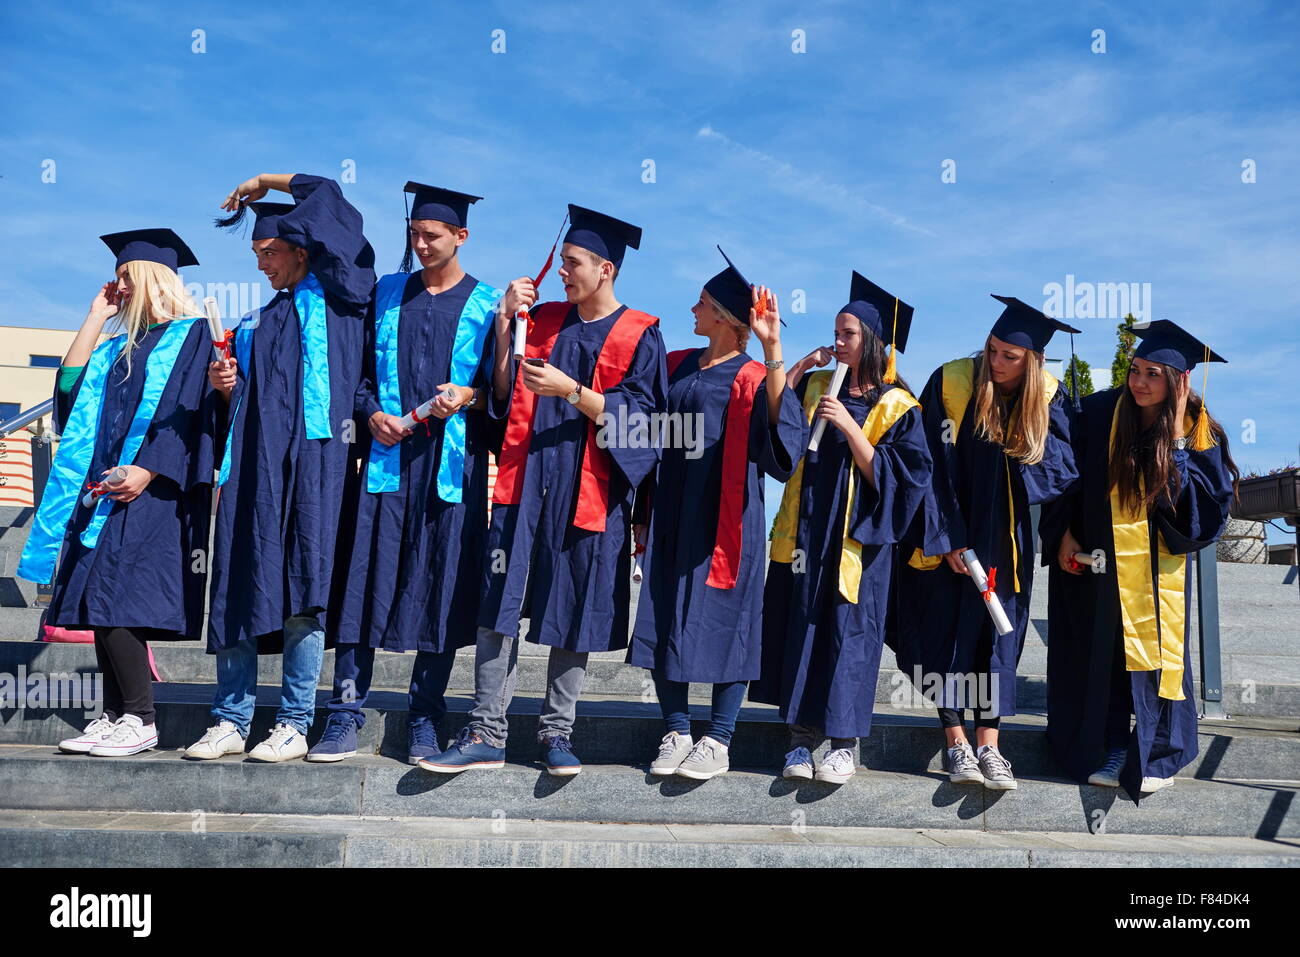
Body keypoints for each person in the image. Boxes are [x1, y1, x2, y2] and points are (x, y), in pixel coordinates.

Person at [420, 205, 666, 777]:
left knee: (574, 605)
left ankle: (557, 732)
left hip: (591, 491)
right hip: (524, 483)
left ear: (605, 269)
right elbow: (501, 394)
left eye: (574, 264)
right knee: (498, 600)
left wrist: (573, 389)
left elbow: (643, 425)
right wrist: (506, 326)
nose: (563, 272)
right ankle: (486, 729)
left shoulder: (640, 333)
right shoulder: (545, 319)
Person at [307, 183, 502, 763]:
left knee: (441, 590)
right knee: (361, 584)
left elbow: (504, 392)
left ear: (461, 236)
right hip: (387, 467)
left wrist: (468, 394)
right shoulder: (386, 294)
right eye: (413, 234)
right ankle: (344, 713)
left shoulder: (488, 305)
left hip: (451, 471)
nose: (418, 244)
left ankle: (424, 715)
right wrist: (370, 416)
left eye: (431, 235)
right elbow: (359, 378)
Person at [187, 173, 375, 763]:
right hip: (254, 476)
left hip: (317, 469)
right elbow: (240, 406)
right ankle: (230, 719)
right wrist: (225, 388)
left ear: (302, 250)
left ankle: (295, 721)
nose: (262, 264)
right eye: (256, 255)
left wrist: (263, 182)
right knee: (241, 584)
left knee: (305, 592)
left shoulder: (342, 300)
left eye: (270, 252)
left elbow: (331, 202)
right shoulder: (256, 324)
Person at [18, 229, 216, 757]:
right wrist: (94, 317)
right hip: (101, 493)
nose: (120, 288)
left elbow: (194, 416)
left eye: (126, 280)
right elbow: (68, 394)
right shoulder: (115, 348)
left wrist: (149, 471)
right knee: (98, 604)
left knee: (121, 602)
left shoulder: (193, 337)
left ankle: (141, 720)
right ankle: (114, 715)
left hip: (151, 493)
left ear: (153, 280)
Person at [628, 248, 805, 780]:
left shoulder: (753, 375)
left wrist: (774, 347)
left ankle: (719, 739)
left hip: (729, 519)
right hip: (674, 508)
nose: (693, 309)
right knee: (664, 612)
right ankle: (676, 729)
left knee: (730, 620)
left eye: (702, 303)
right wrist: (642, 507)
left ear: (727, 320)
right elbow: (644, 434)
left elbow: (783, 437)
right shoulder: (678, 362)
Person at [1042, 320, 1236, 800]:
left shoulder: (1198, 429)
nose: (1140, 382)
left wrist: (1174, 443)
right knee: (1099, 655)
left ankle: (1157, 752)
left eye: (1154, 374)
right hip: (1097, 563)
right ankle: (1103, 749)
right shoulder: (1102, 410)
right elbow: (1064, 471)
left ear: (1179, 381)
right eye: (1136, 369)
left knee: (1155, 661)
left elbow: (1209, 508)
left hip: (1156, 570)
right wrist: (1062, 531)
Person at [891, 295, 1078, 790]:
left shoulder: (1050, 396)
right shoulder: (953, 381)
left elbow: (1061, 469)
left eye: (1008, 356)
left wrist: (1026, 435)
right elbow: (924, 463)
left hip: (1006, 544)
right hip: (949, 537)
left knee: (998, 641)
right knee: (945, 636)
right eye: (992, 350)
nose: (995, 362)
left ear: (1033, 362)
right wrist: (946, 537)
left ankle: (991, 746)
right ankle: (955, 742)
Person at [752, 273, 932, 784]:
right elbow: (777, 430)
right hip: (806, 534)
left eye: (847, 334)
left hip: (859, 542)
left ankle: (843, 744)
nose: (837, 342)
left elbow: (900, 482)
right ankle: (799, 740)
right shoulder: (814, 385)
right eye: (835, 332)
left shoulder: (900, 406)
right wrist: (802, 365)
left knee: (850, 636)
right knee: (802, 627)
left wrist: (851, 427)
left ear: (872, 341)